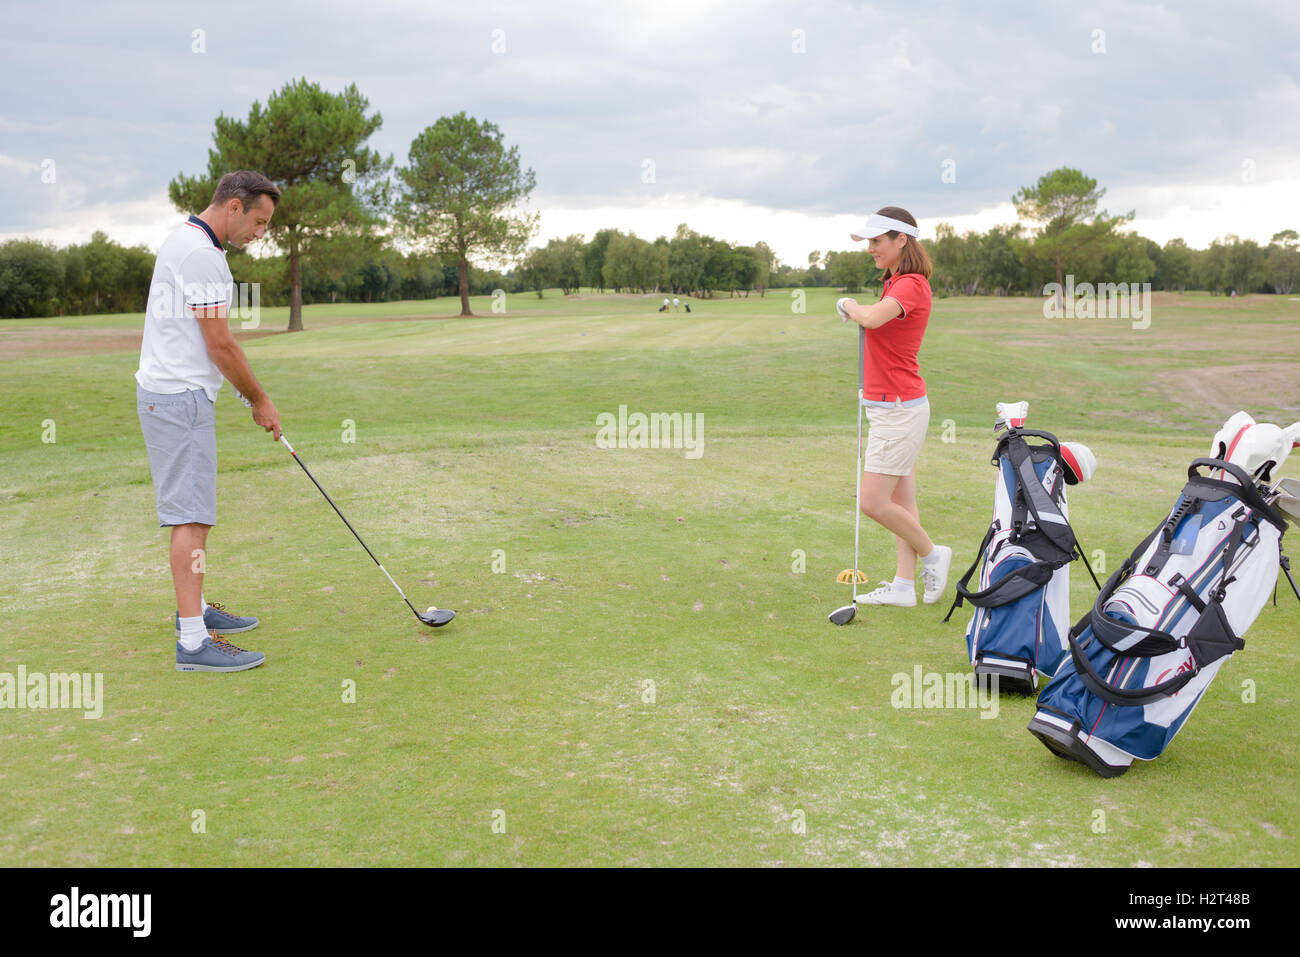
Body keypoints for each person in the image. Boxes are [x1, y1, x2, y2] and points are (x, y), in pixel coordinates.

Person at [136, 170, 282, 671]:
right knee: (191, 519)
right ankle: (194, 643)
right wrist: (259, 400)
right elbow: (221, 344)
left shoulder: (188, 239)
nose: (260, 235)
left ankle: (194, 611)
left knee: (193, 514)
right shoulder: (202, 256)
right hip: (180, 400)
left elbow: (205, 343)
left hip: (170, 393)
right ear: (234, 207)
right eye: (259, 222)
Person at [835, 206, 952, 606]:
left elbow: (869, 319)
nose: (870, 249)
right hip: (890, 406)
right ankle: (904, 587)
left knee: (873, 502)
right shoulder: (897, 282)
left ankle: (934, 554)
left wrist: (849, 304)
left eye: (877, 240)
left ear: (901, 240)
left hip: (899, 410)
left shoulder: (911, 285)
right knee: (902, 501)